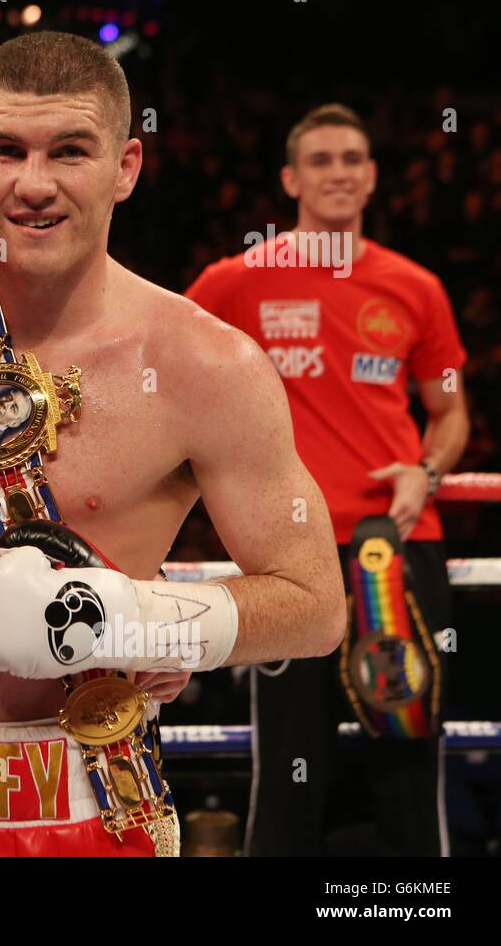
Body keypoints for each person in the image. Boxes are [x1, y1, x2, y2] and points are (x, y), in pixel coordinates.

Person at [0, 32, 347, 857]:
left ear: (126, 166)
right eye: (5, 150)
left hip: (84, 794)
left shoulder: (206, 365)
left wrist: (152, 622)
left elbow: (317, 604)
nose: (34, 184)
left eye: (70, 151)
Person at [185, 103, 470, 856]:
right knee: (287, 769)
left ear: (371, 177)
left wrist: (428, 471)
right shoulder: (234, 281)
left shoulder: (417, 287)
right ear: (290, 177)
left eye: (351, 158)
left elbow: (449, 411)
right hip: (288, 556)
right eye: (320, 160)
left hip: (398, 548)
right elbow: (167, 383)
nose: (338, 172)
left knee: (409, 758)